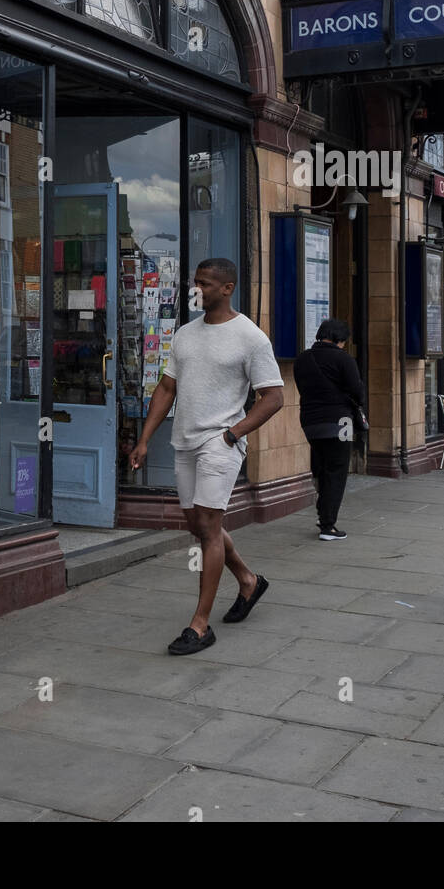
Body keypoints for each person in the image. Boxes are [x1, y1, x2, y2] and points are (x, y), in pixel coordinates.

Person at [128, 257, 284, 655]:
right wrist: (145, 440)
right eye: (194, 282)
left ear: (227, 288)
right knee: (197, 525)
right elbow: (166, 388)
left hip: (221, 441)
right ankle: (248, 580)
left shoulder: (251, 337)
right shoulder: (185, 334)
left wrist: (234, 434)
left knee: (210, 528)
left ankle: (199, 625)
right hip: (184, 441)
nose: (196, 289)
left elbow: (274, 397)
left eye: (204, 284)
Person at [293, 318, 366, 540]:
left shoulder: (303, 359)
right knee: (337, 470)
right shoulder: (343, 359)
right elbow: (357, 391)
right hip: (339, 422)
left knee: (322, 467)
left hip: (310, 421)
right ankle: (328, 525)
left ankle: (323, 512)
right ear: (340, 339)